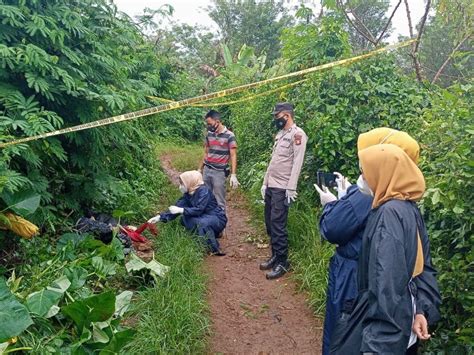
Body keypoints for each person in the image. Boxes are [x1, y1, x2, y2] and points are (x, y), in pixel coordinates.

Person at [315, 127, 434, 355]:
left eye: (367, 170)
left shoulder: (388, 214)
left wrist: (376, 348)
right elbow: (419, 269)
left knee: (342, 338)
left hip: (367, 304)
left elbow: (386, 285)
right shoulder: (407, 205)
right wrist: (419, 309)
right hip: (398, 319)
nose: (362, 177)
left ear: (385, 169)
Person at [260, 102, 307, 280]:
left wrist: (291, 187)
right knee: (270, 223)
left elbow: (297, 162)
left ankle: (282, 262)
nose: (275, 120)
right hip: (272, 185)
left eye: (277, 116)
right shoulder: (280, 134)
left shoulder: (298, 134)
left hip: (282, 187)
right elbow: (273, 162)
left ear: (286, 115)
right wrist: (265, 182)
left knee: (278, 225)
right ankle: (275, 255)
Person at [148, 170, 226, 255]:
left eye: (182, 184)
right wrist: (159, 217)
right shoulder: (188, 194)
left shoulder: (204, 191)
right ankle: (203, 237)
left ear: (190, 182)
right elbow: (177, 207)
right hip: (203, 216)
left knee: (202, 223)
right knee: (185, 219)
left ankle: (213, 248)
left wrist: (182, 210)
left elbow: (199, 209)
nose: (181, 186)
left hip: (216, 217)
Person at [199, 110, 239, 213]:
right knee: (205, 197)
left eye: (210, 123)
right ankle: (208, 223)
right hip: (207, 170)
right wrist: (200, 169)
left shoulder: (229, 135)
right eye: (207, 124)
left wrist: (233, 174)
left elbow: (233, 155)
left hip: (219, 172)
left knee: (219, 201)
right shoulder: (209, 134)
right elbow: (206, 152)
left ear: (217, 121)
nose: (208, 126)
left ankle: (220, 225)